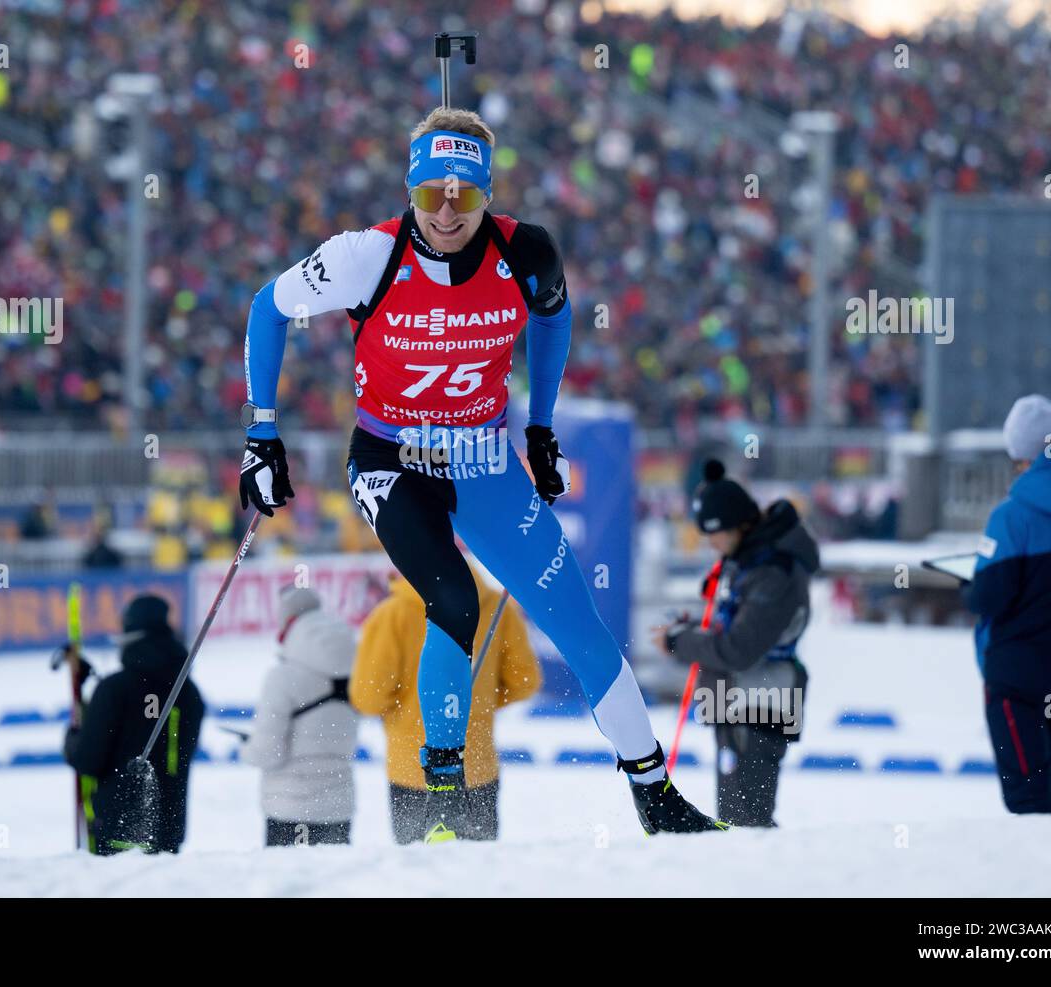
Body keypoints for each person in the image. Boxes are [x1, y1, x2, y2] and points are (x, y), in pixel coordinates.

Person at [239, 107, 725, 841]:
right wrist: (261, 432)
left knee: (584, 630)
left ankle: (656, 795)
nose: (444, 210)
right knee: (454, 599)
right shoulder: (363, 257)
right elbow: (266, 309)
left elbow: (555, 320)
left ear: (486, 194)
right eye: (430, 191)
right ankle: (441, 802)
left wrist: (540, 427)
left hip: (485, 461)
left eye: (463, 195)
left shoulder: (526, 252)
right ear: (409, 186)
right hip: (393, 462)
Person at [659, 460, 819, 827]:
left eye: (715, 533)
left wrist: (681, 643)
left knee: (747, 821)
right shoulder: (750, 560)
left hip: (761, 701)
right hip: (738, 699)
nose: (711, 543)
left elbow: (739, 649)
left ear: (739, 524)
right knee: (737, 817)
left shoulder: (772, 570)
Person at [964, 395, 1051, 814]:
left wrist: (969, 587)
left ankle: (1045, 877)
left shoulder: (1014, 515)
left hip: (1013, 679)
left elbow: (988, 596)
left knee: (1028, 799)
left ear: (1021, 456)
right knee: (1048, 786)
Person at [352, 568, 540, 844]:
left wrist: (404, 711)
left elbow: (367, 697)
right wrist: (478, 704)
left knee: (421, 876)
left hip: (413, 771)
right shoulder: (499, 612)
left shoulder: (391, 615)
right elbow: (525, 681)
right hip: (477, 769)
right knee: (478, 873)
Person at [63, 594, 204, 853]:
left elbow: (88, 760)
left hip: (117, 831)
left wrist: (73, 737)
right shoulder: (189, 693)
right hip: (168, 833)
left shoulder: (114, 690)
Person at [244, 587, 359, 847]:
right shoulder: (355, 667)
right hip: (338, 808)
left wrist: (246, 748)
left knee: (287, 886)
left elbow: (267, 753)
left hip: (289, 808)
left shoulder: (282, 677)